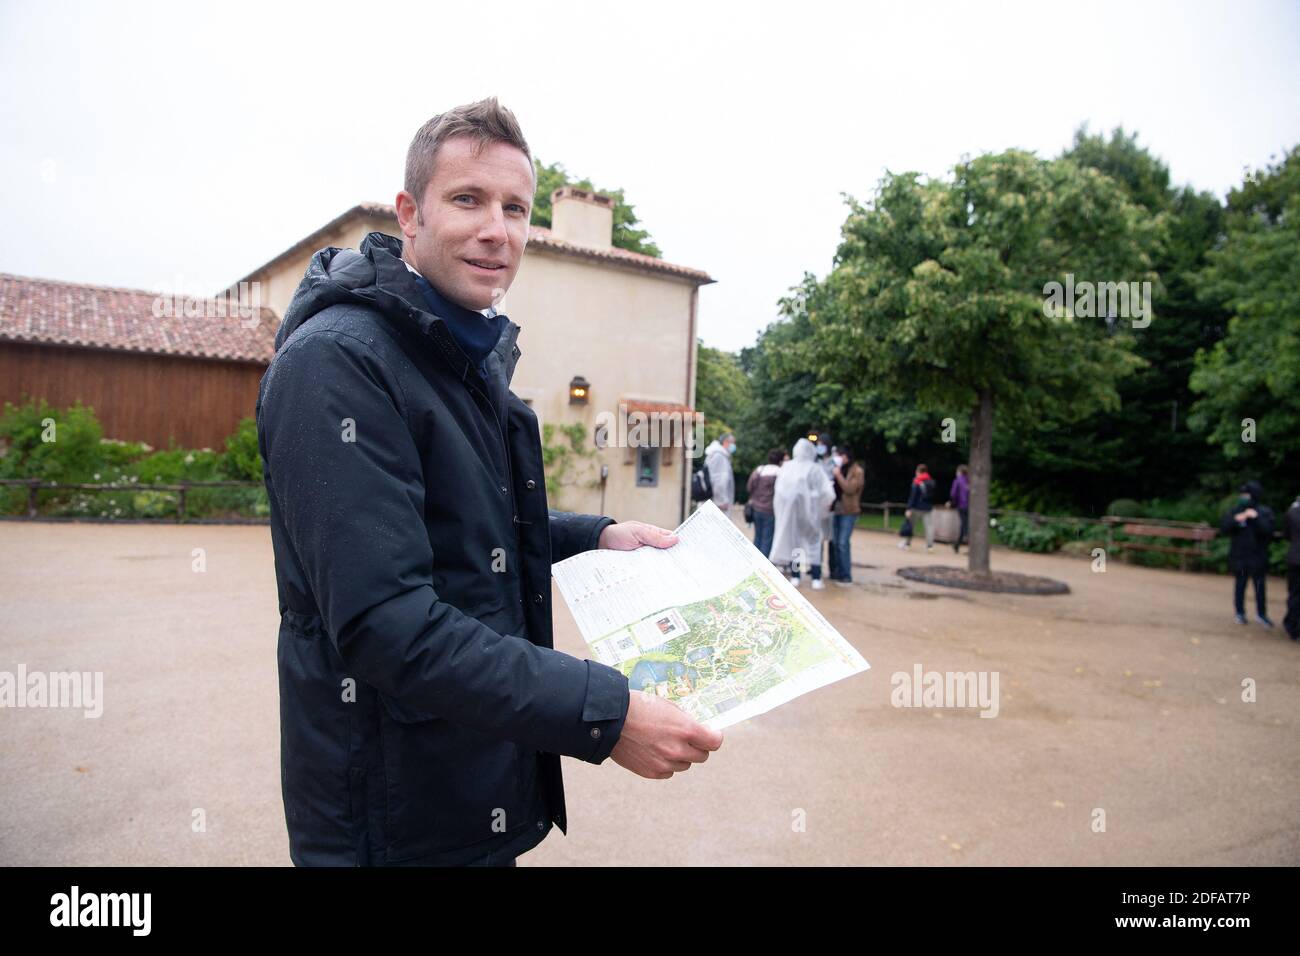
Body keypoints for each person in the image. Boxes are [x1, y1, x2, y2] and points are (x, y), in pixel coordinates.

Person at [257, 98, 723, 867]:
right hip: (392, 820)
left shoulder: (456, 354)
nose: (496, 229)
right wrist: (606, 715)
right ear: (410, 213)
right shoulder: (340, 364)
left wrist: (597, 535)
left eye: (516, 208)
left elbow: (472, 532)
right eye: (467, 199)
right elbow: (388, 624)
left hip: (470, 789)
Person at [770, 438, 835, 590]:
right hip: (811, 512)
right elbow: (827, 492)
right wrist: (822, 508)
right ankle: (816, 577)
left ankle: (796, 576)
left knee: (795, 544)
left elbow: (779, 491)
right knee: (813, 543)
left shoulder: (788, 467)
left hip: (791, 513)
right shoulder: (814, 468)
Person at [1220, 480, 1275, 627]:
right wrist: (1237, 519)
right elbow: (1224, 527)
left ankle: (1261, 614)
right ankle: (1240, 613)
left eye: (1246, 494)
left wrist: (1255, 518)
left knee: (1259, 587)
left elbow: (1268, 532)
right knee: (1240, 585)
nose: (1243, 497)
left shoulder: (1264, 512)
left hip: (1258, 558)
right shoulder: (1237, 511)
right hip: (1241, 558)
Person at [829, 446, 865, 585]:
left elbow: (850, 489)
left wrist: (838, 475)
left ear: (846, 456)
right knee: (835, 542)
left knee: (843, 543)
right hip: (836, 510)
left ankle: (846, 575)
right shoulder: (837, 468)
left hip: (849, 511)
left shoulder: (857, 471)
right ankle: (836, 572)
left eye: (840, 455)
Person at [747, 448, 783, 558]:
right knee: (767, 540)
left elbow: (749, 487)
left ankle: (754, 562)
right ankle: (762, 566)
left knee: (757, 537)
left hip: (756, 508)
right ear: (780, 460)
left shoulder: (760, 470)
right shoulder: (780, 473)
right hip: (771, 510)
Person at [899, 464, 936, 552]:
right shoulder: (932, 482)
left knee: (910, 526)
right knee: (929, 527)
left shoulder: (917, 481)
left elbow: (913, 496)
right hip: (928, 508)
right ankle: (930, 546)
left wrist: (908, 508)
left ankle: (907, 544)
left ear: (918, 471)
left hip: (916, 508)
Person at [702, 432, 736, 512]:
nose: (734, 446)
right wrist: (722, 501)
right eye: (733, 443)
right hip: (718, 505)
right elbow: (719, 480)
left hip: (714, 502)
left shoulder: (718, 455)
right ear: (725, 442)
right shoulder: (719, 456)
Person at [1283, 492, 1300, 641]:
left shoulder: (1292, 512)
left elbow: (1287, 534)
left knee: (1294, 593)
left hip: (1294, 557)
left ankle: (1292, 626)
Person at [948, 464, 970, 554]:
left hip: (962, 505)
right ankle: (957, 545)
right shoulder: (970, 480)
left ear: (960, 472)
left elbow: (953, 494)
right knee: (964, 524)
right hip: (971, 507)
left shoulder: (957, 480)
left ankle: (966, 541)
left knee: (965, 526)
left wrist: (952, 503)